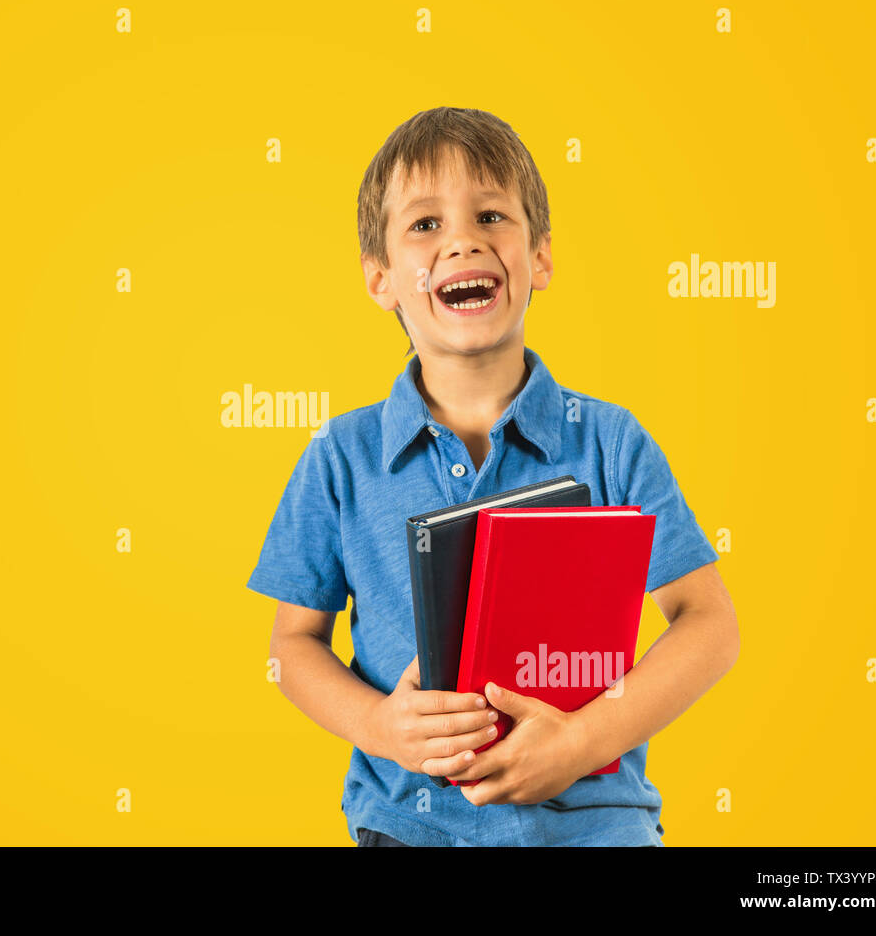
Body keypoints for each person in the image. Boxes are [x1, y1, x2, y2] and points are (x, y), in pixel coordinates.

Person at [245, 107, 739, 846]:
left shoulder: (611, 443)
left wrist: (581, 741)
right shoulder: (339, 457)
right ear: (380, 280)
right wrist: (380, 726)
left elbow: (711, 627)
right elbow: (293, 644)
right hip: (407, 827)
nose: (463, 240)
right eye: (424, 225)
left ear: (539, 259)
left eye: (490, 215)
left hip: (594, 828)